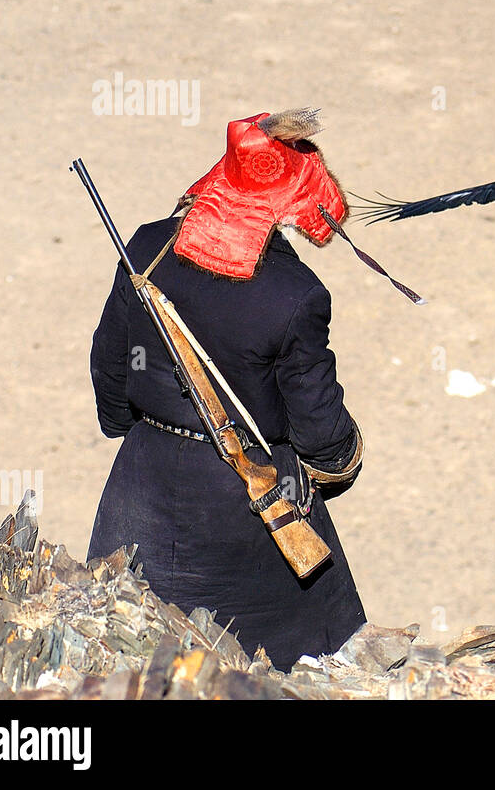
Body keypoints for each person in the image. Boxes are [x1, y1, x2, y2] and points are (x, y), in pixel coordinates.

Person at [87, 110, 366, 669]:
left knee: (131, 667)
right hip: (248, 514)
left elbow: (109, 370)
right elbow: (322, 438)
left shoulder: (145, 248)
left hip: (138, 495)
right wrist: (334, 460)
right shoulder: (296, 296)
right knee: (283, 674)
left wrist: (139, 434)